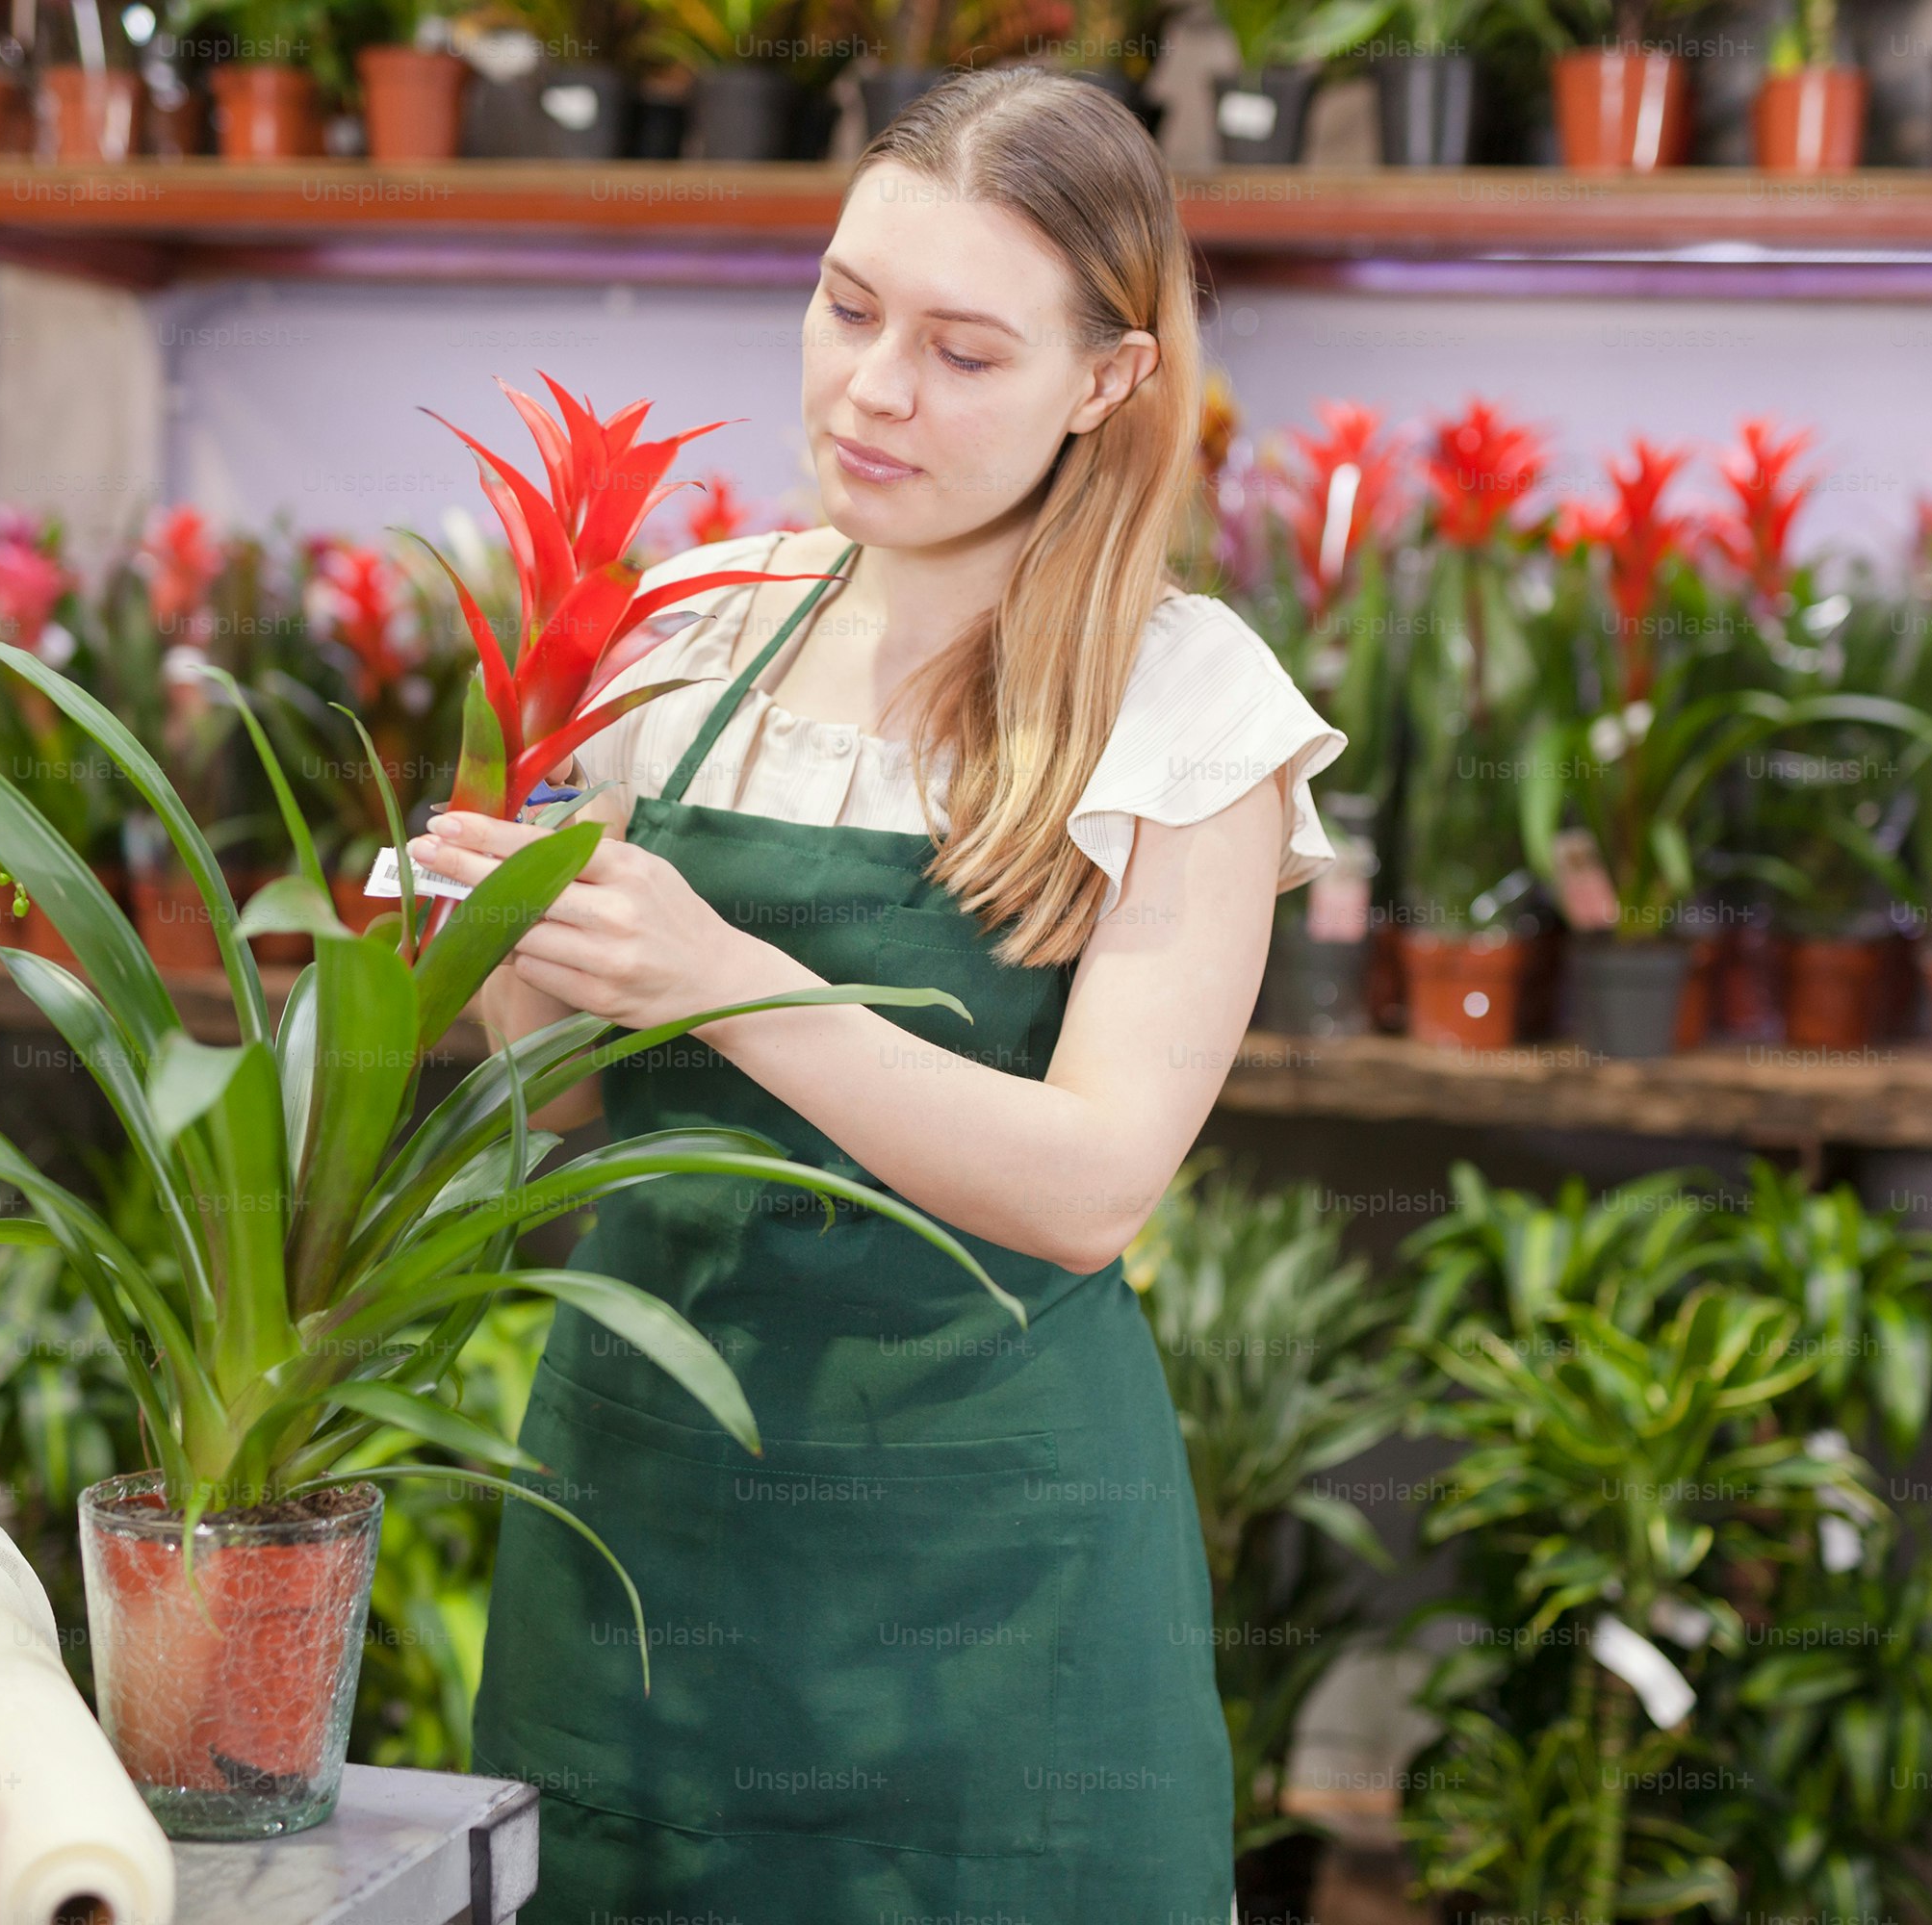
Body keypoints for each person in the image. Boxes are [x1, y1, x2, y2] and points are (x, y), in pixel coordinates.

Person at [406, 65, 1343, 1922]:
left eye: (965, 350)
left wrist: (725, 976)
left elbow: (1090, 1186)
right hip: (641, 1539)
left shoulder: (1189, 704)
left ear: (1110, 379)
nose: (873, 388)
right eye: (848, 306)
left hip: (996, 1592)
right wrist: (516, 948)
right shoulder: (685, 627)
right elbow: (566, 1110)